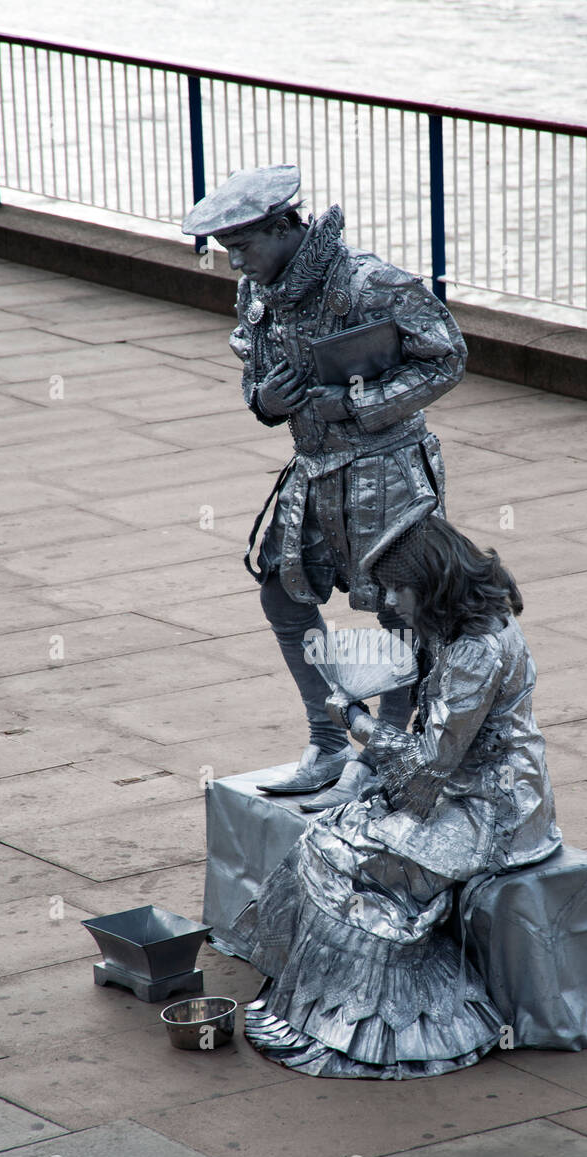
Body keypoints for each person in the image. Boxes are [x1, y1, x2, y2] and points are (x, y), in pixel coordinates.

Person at [209, 506, 564, 1079]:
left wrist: (360, 724)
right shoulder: (455, 626)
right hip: (456, 787)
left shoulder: (477, 648)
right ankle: (313, 1007)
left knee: (352, 860)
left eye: (398, 589)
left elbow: (435, 761)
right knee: (328, 833)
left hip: (491, 810)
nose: (390, 603)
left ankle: (372, 1029)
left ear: (431, 581)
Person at [182, 164, 467, 810]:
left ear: (284, 228)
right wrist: (264, 398)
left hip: (386, 468)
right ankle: (328, 738)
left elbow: (448, 355)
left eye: (245, 248)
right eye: (230, 253)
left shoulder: (371, 282)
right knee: (282, 596)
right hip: (313, 469)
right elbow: (254, 368)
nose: (236, 266)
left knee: (402, 608)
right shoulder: (258, 292)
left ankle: (388, 751)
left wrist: (358, 402)